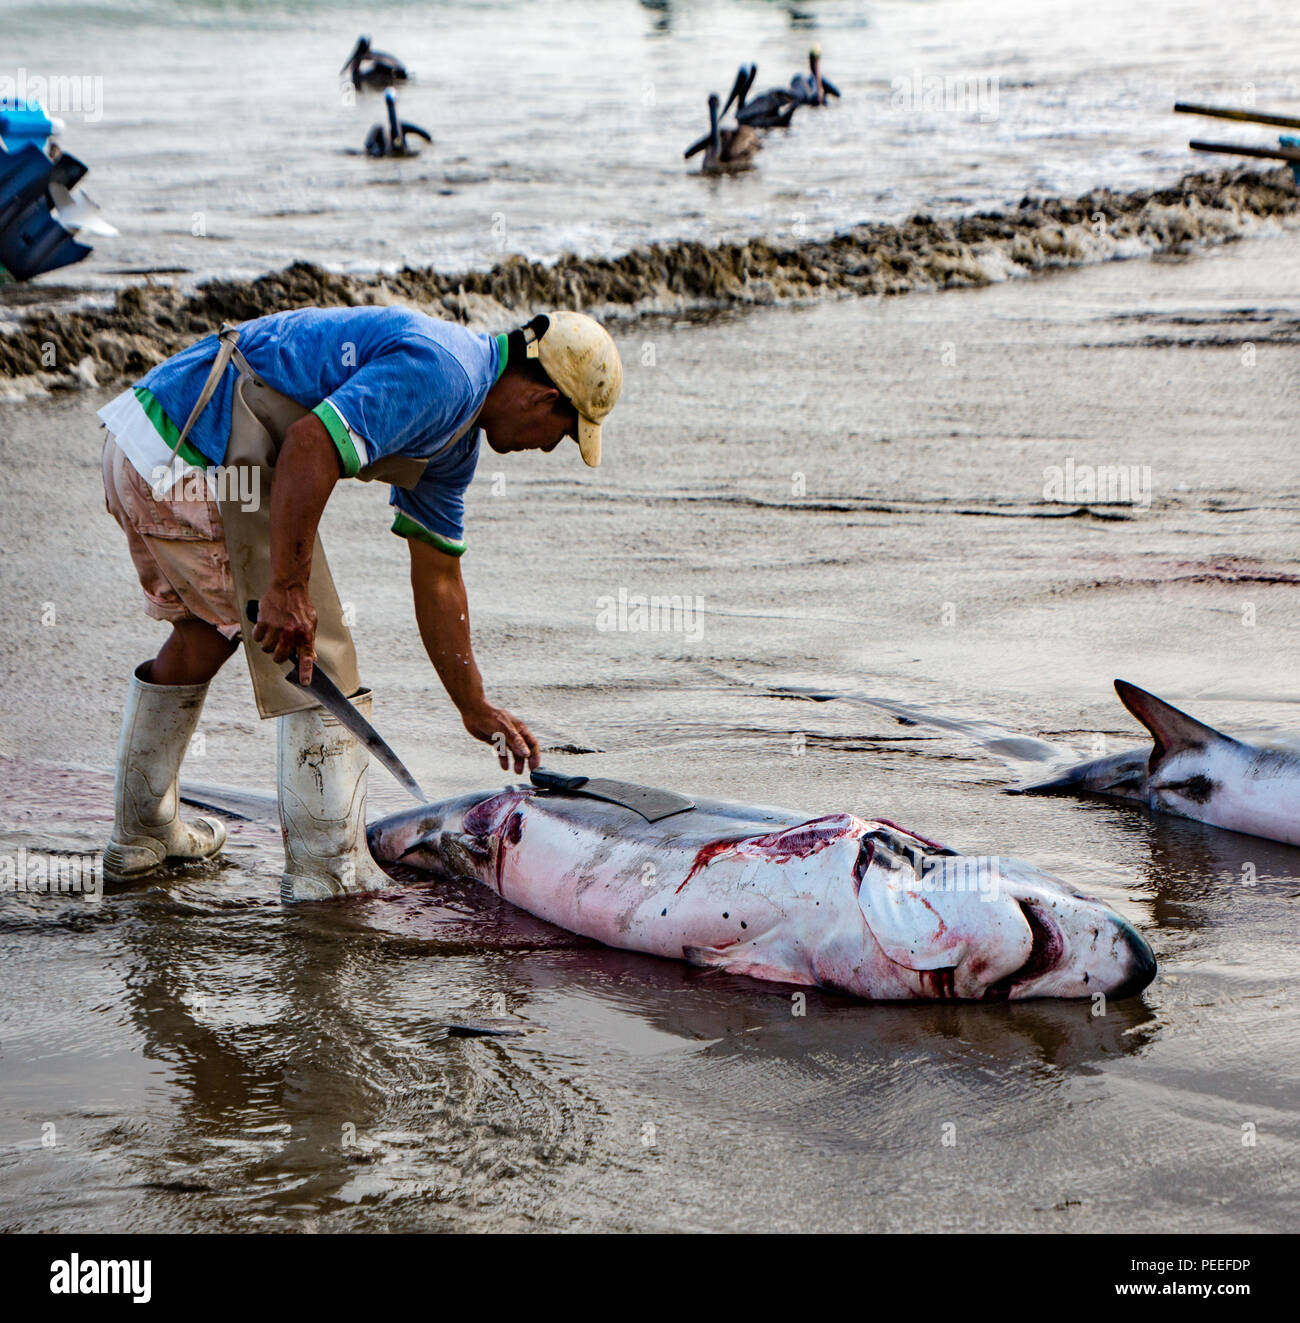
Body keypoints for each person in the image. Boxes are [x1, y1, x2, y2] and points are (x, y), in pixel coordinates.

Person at [97, 306, 622, 901]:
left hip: (143, 446)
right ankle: (328, 873)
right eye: (566, 433)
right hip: (190, 453)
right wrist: (289, 586)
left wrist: (472, 705)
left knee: (205, 634)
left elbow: (439, 574)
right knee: (313, 654)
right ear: (542, 398)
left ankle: (142, 833)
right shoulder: (446, 373)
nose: (552, 447)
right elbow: (310, 442)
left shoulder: (455, 442)